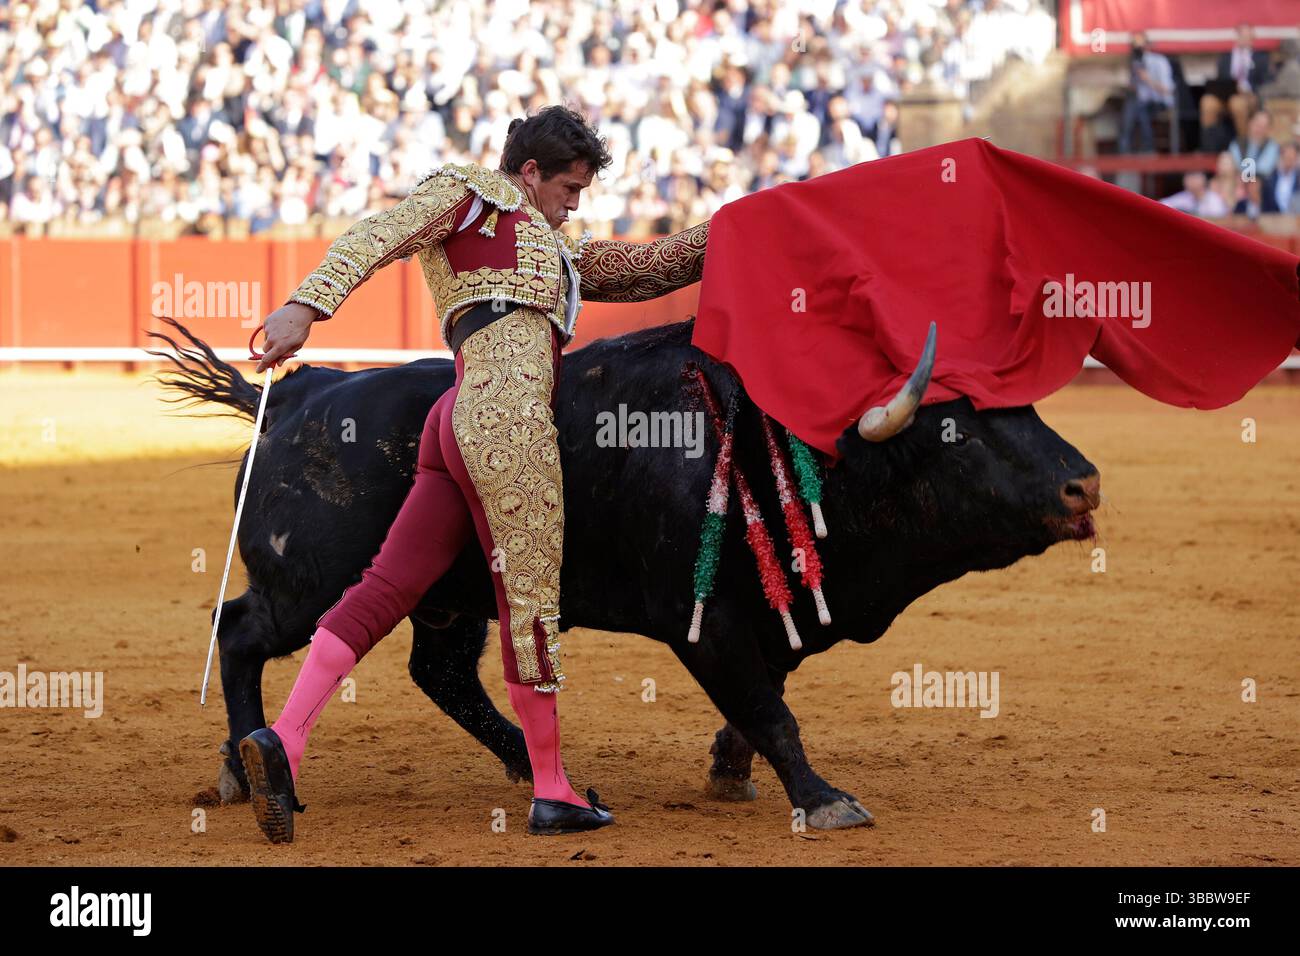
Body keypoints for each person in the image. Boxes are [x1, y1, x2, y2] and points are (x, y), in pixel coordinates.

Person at [240, 105, 710, 842]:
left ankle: (285, 740)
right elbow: (380, 232)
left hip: (457, 418)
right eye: (569, 187)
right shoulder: (469, 193)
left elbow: (658, 265)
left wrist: (743, 227)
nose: (574, 204)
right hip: (508, 418)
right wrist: (306, 306)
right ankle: (551, 790)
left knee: (388, 587)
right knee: (528, 599)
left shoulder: (563, 257)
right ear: (528, 172)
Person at [1201, 23, 1273, 153]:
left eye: (1247, 36)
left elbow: (1266, 83)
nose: (1244, 39)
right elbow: (1220, 78)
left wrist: (1247, 90)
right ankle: (1209, 147)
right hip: (1226, 94)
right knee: (1208, 102)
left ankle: (1243, 146)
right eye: (1241, 35)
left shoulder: (1261, 58)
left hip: (1248, 96)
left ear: (1252, 38)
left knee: (1237, 104)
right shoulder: (1225, 57)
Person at [1118, 31, 1175, 154]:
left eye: (1140, 45)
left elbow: (1167, 90)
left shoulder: (1160, 61)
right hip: (1140, 102)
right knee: (1132, 106)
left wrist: (1147, 79)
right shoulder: (1134, 63)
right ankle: (1127, 151)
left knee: (1136, 108)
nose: (1138, 49)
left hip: (1159, 102)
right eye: (1135, 46)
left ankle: (1143, 148)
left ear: (1148, 45)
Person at [1262, 140, 1300, 213]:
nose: (1288, 160)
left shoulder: (1298, 178)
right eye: (1286, 156)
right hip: (1273, 219)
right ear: (1281, 156)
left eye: (1291, 157)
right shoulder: (1270, 178)